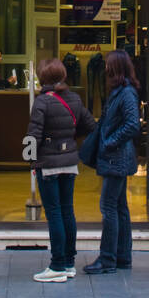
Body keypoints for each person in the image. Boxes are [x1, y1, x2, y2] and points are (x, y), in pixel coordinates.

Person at [26, 58, 95, 281]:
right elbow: (91, 126)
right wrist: (72, 140)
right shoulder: (75, 99)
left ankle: (56, 266)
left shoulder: (41, 102)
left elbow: (33, 136)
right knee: (67, 211)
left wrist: (31, 162)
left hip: (48, 165)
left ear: (43, 77)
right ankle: (68, 263)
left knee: (54, 213)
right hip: (70, 163)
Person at [86, 50, 141, 275]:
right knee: (119, 207)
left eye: (109, 65)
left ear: (116, 68)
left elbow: (132, 125)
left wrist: (109, 142)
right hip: (117, 156)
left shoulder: (126, 93)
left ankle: (108, 258)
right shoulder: (120, 91)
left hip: (116, 158)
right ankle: (122, 256)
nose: (105, 69)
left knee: (108, 207)